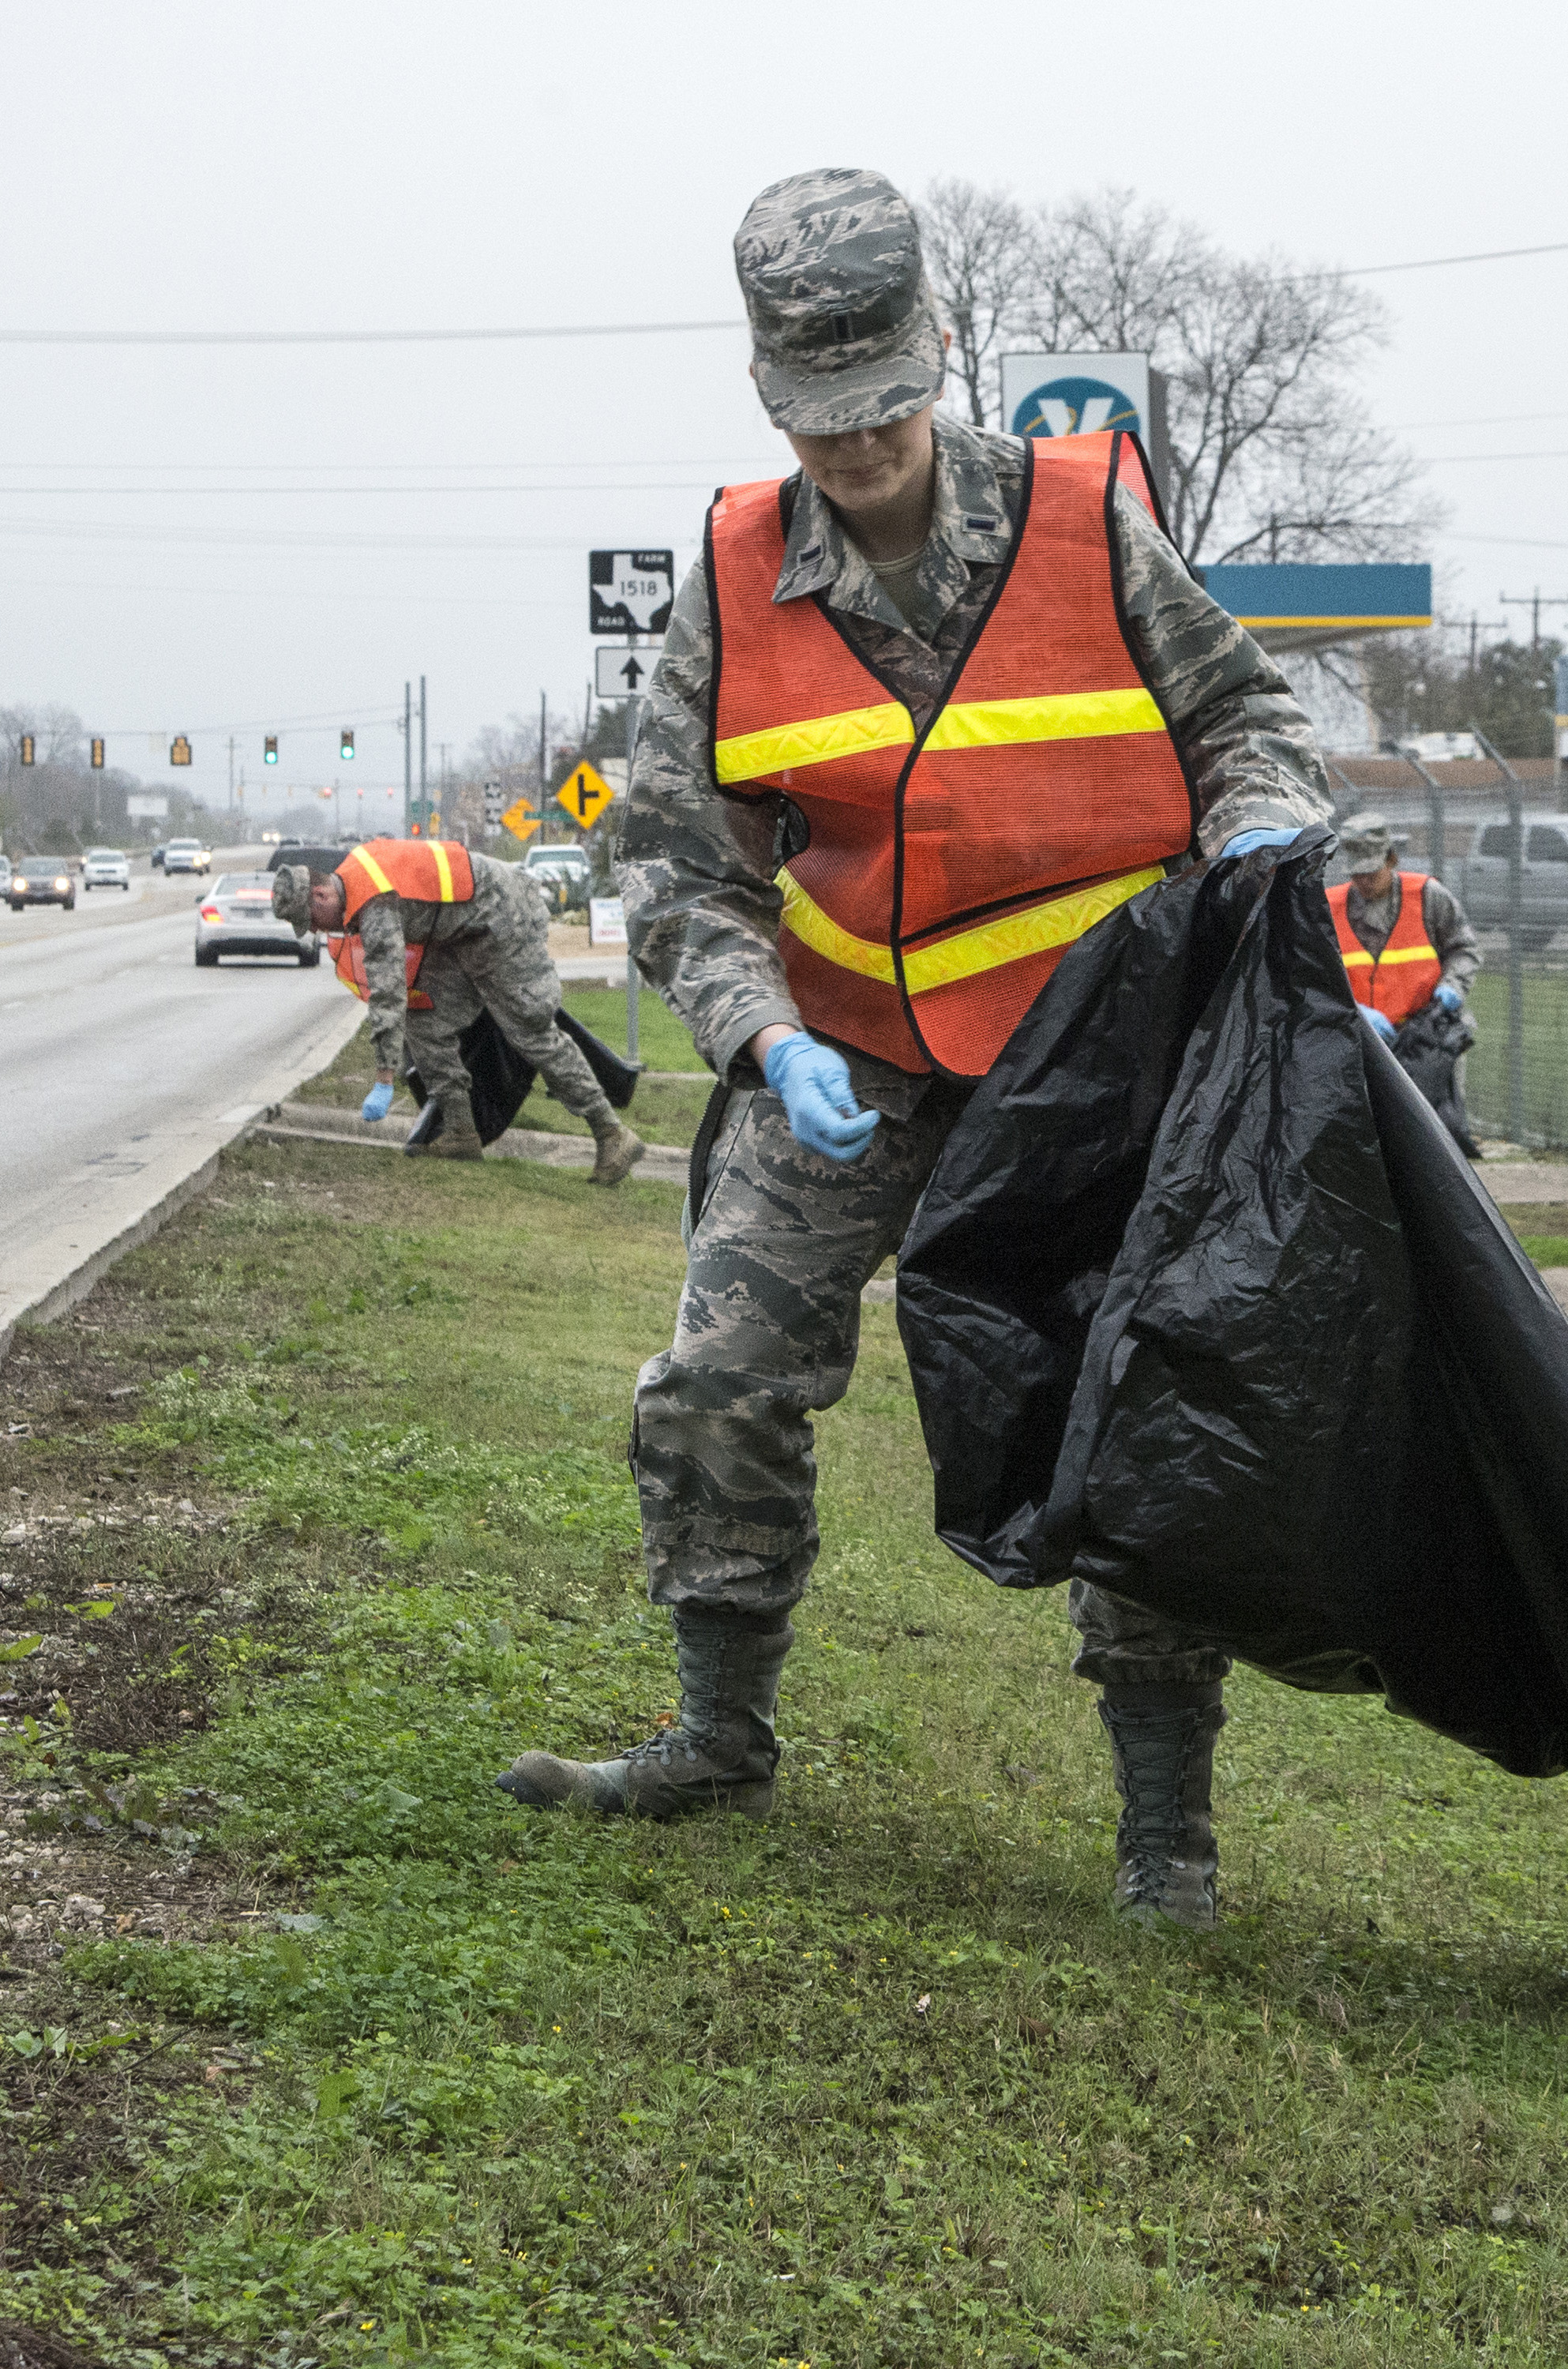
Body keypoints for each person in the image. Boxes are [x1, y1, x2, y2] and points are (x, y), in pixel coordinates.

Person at [496, 167, 1337, 1931]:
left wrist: (1258, 821)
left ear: (938, 353)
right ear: (765, 389)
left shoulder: (1084, 515)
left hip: (1090, 1064)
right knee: (716, 1377)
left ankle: (1164, 1830)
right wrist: (757, 1034)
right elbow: (670, 863)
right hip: (846, 1051)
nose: (861, 443)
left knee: (1141, 1394)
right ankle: (719, 1734)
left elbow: (1245, 717)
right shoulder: (735, 573)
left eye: (885, 401)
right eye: (822, 414)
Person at [272, 839, 645, 1186]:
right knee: (424, 1017)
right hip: (457, 931)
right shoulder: (354, 874)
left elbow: (388, 993)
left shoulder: (373, 900)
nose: (319, 932)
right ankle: (461, 1132)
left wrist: (384, 1078)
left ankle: (612, 1134)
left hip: (502, 917)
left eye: (313, 921)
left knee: (531, 1031)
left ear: (321, 894)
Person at [1327, 809, 1480, 1044]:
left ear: (1391, 860)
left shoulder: (1428, 896)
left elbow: (1464, 950)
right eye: (1357, 874)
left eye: (1372, 873)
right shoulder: (1330, 908)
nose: (1364, 882)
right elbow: (1314, 978)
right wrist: (1354, 1012)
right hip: (1358, 1040)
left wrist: (1453, 987)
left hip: (1426, 1040)